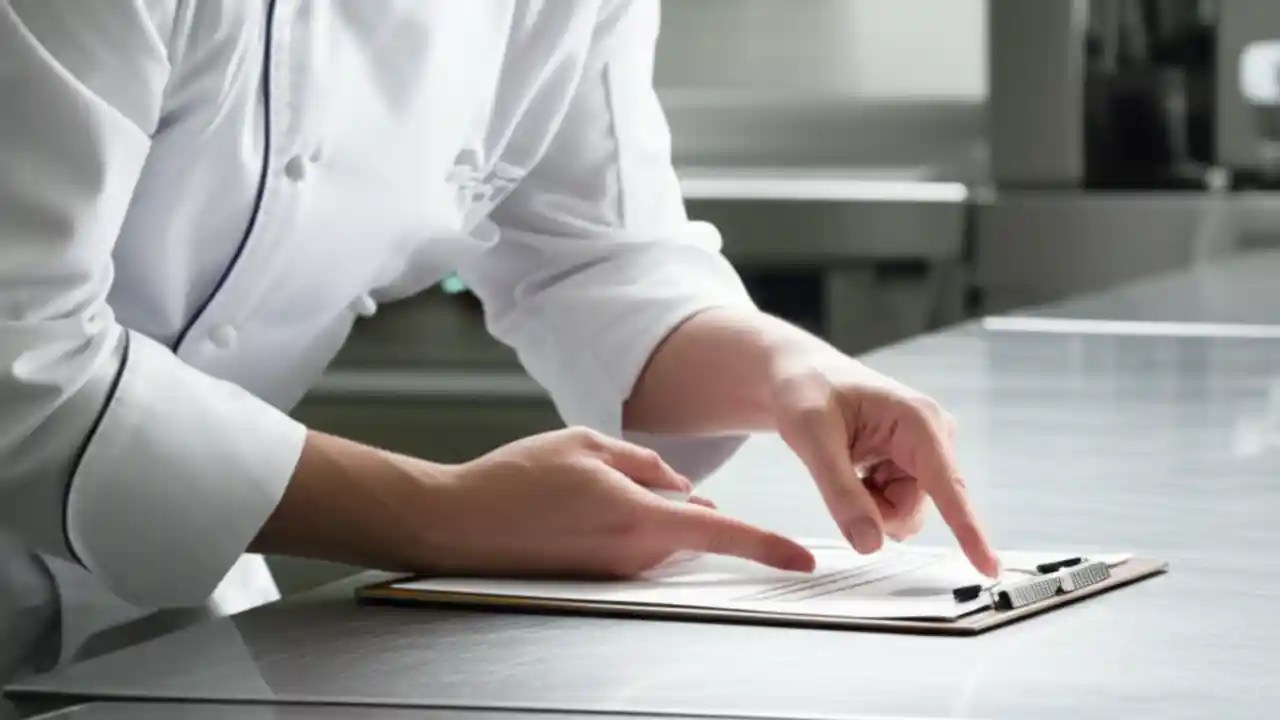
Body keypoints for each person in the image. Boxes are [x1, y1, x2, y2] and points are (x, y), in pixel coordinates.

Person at [0, 0, 998, 655]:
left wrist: (788, 369)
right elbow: (19, 356)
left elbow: (595, 255)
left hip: (171, 630)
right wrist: (441, 513)